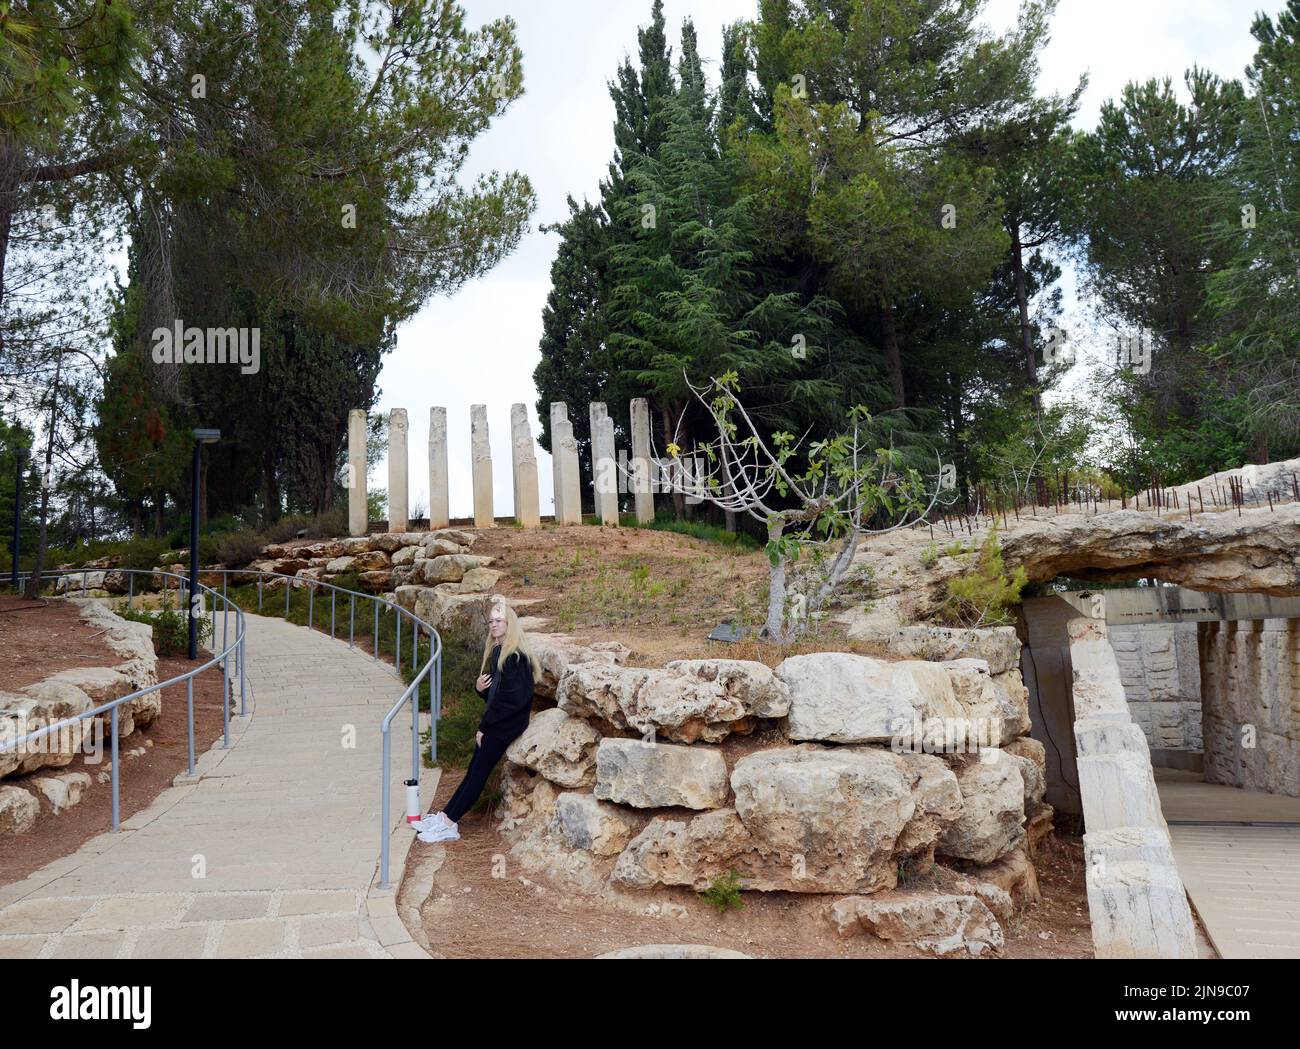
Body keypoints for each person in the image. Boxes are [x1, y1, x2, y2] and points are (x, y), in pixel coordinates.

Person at [412, 600, 539, 843]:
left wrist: (485, 728)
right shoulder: (498, 652)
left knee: (478, 774)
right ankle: (445, 816)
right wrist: (479, 689)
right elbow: (494, 695)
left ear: (509, 623)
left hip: (506, 725)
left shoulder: (516, 656)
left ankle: (449, 824)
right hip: (497, 723)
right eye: (491, 621)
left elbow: (512, 700)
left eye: (498, 621)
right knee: (473, 771)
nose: (493, 625)